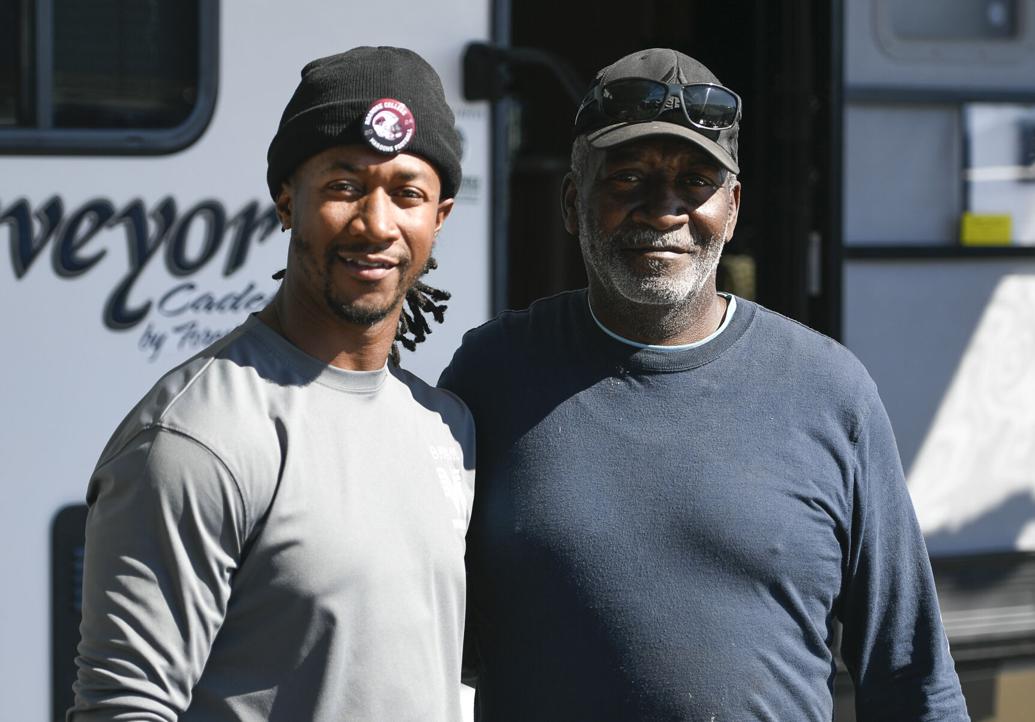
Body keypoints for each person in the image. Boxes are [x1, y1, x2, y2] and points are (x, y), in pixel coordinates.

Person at [439, 48, 969, 721]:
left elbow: (912, 677)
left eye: (694, 181)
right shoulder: (494, 373)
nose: (663, 208)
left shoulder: (829, 391)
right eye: (627, 177)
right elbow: (423, 628)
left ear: (733, 207)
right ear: (573, 202)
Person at [70, 46, 475, 721]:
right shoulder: (198, 436)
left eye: (407, 193)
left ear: (440, 217)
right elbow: (123, 708)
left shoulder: (446, 427)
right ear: (287, 201)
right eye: (344, 186)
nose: (376, 224)